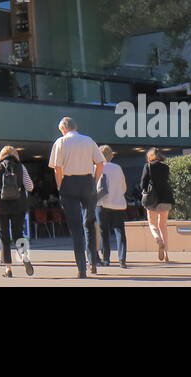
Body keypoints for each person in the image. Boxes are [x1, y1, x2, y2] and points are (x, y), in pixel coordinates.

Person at [49, 116, 104, 278]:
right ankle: (93, 262)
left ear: (63, 129)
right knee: (89, 223)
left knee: (76, 227)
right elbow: (100, 164)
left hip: (69, 182)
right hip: (87, 181)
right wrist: (94, 181)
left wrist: (60, 186)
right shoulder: (89, 140)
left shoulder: (60, 142)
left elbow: (57, 168)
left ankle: (81, 268)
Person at [0, 145, 34, 278]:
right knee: (18, 232)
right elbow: (30, 186)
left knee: (4, 235)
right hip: (18, 205)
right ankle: (24, 256)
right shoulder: (21, 167)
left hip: (0, 206)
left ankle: (8, 269)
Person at [96, 145, 128, 268]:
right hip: (118, 204)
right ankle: (122, 259)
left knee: (104, 232)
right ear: (111, 156)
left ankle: (106, 259)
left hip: (102, 204)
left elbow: (95, 187)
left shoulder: (97, 167)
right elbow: (123, 187)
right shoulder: (118, 168)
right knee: (120, 231)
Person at [140, 148, 175, 262]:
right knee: (163, 225)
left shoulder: (148, 166)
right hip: (166, 198)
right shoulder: (166, 167)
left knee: (152, 224)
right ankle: (166, 255)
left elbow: (143, 184)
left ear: (150, 156)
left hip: (152, 199)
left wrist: (144, 190)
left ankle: (158, 239)